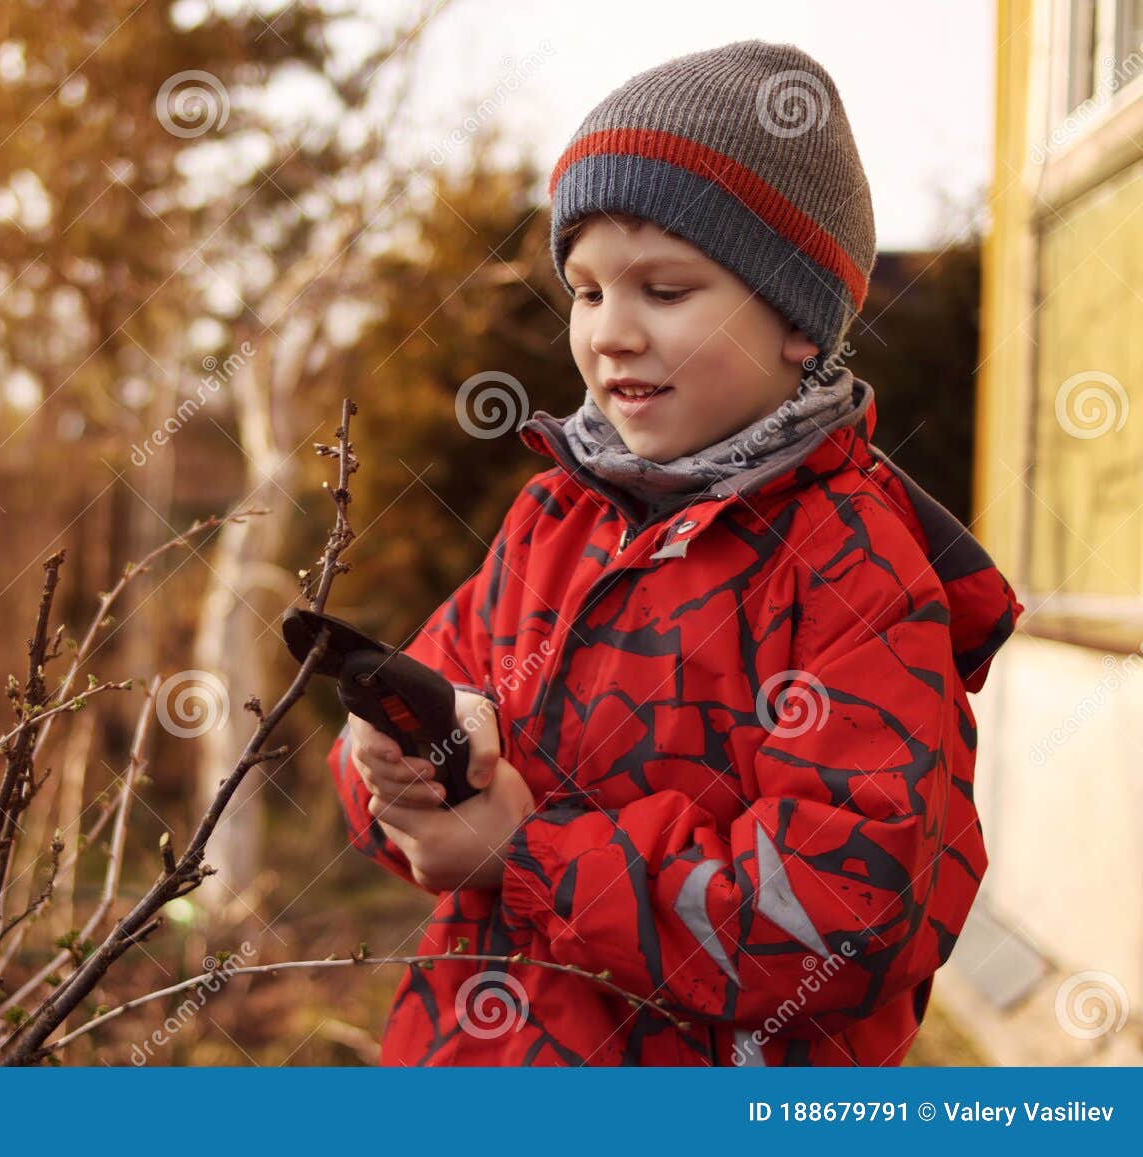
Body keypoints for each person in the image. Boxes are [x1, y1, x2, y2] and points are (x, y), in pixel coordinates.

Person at [326, 39, 1025, 1066]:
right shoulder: (553, 522)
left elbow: (844, 911)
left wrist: (530, 857)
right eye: (587, 290)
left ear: (797, 322)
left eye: (662, 288)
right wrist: (396, 765)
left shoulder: (850, 567)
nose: (609, 333)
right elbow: (406, 765)